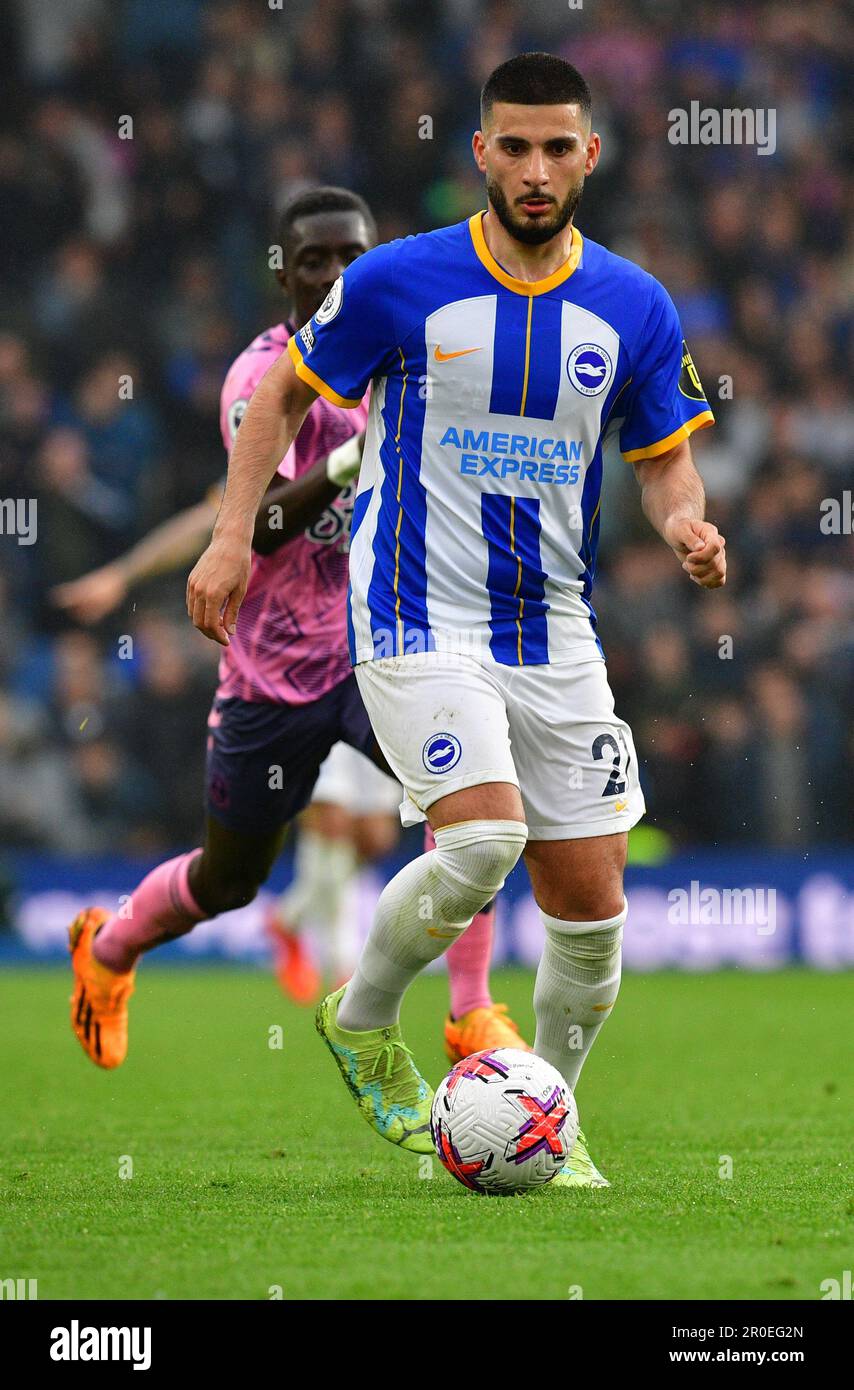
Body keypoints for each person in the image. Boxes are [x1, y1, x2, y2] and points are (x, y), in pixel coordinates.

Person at [186, 55, 726, 1188]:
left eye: (556, 147)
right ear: (479, 153)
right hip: (412, 612)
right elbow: (283, 391)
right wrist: (233, 536)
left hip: (554, 632)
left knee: (591, 911)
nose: (534, 170)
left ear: (588, 155)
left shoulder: (633, 305)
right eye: (513, 147)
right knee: (482, 841)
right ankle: (361, 1014)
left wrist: (684, 524)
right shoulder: (395, 280)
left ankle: (546, 1123)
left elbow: (664, 464)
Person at [67, 185, 530, 1070]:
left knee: (473, 801)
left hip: (380, 644)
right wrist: (350, 460)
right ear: (281, 269)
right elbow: (261, 525)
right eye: (313, 259)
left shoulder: (404, 356)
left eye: (351, 256)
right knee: (228, 880)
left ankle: (469, 1011)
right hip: (271, 674)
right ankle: (111, 950)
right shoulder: (261, 379)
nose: (333, 274)